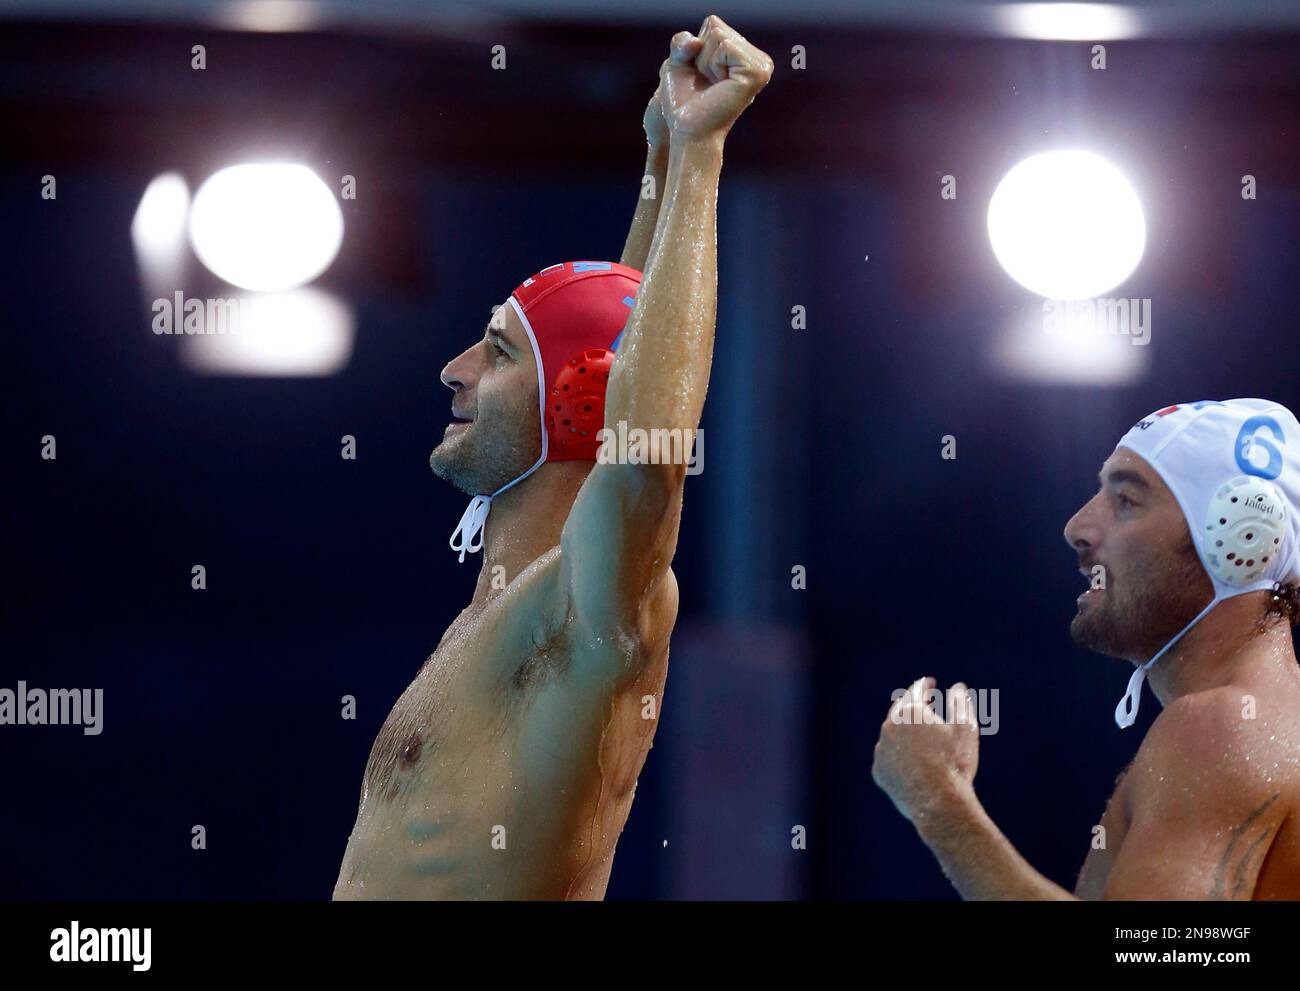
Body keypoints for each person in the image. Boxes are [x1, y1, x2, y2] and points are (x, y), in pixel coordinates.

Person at [334, 15, 772, 900]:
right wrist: (659, 162)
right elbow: (619, 334)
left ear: (574, 399)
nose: (453, 370)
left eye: (496, 351)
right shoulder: (514, 610)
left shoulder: (594, 605)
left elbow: (646, 449)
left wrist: (700, 160)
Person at [873, 399, 1300, 899]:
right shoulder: (1269, 720)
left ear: (1242, 541)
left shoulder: (1223, 728)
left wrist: (939, 805)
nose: (1076, 527)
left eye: (1126, 500)